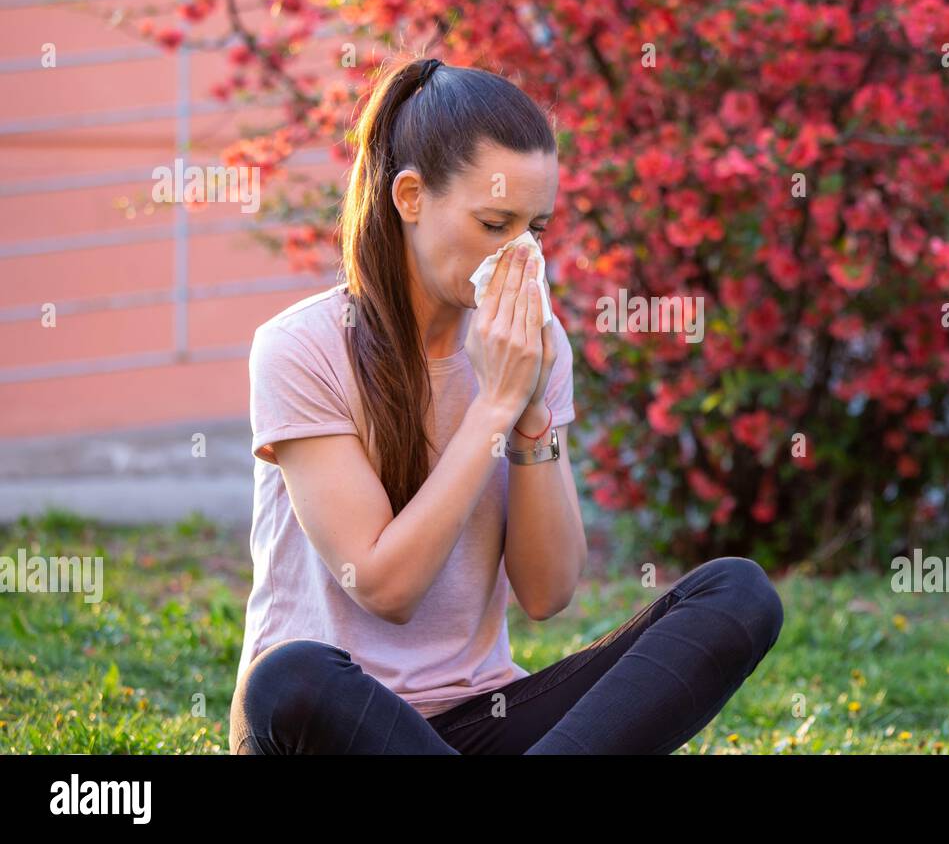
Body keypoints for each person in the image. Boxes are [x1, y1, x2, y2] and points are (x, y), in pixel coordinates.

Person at [227, 56, 784, 754]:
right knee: (290, 677)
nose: (520, 255)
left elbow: (548, 592)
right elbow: (383, 588)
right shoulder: (301, 348)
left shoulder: (530, 346)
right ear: (410, 197)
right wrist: (492, 405)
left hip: (475, 724)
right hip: (330, 728)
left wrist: (528, 416)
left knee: (738, 595)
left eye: (536, 230)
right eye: (495, 223)